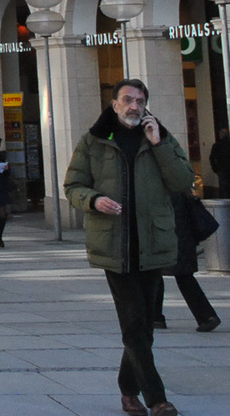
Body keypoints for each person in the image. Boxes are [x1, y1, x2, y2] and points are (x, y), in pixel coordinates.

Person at [64, 78, 196, 416]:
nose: (134, 106)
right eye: (127, 100)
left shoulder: (159, 138)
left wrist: (159, 144)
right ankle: (157, 399)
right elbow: (73, 185)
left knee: (143, 324)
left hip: (153, 242)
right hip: (115, 246)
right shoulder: (94, 141)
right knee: (136, 323)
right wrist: (93, 200)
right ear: (114, 104)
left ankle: (126, 390)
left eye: (140, 100)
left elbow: (183, 181)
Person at [155, 191, 220, 332]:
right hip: (181, 232)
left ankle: (155, 317)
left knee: (155, 272)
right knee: (181, 275)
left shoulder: (161, 183)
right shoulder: (179, 183)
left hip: (169, 230)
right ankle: (206, 316)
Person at [210, 128, 230, 197]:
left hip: (222, 169)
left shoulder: (217, 145)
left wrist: (215, 169)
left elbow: (212, 158)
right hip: (224, 168)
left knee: (224, 189)